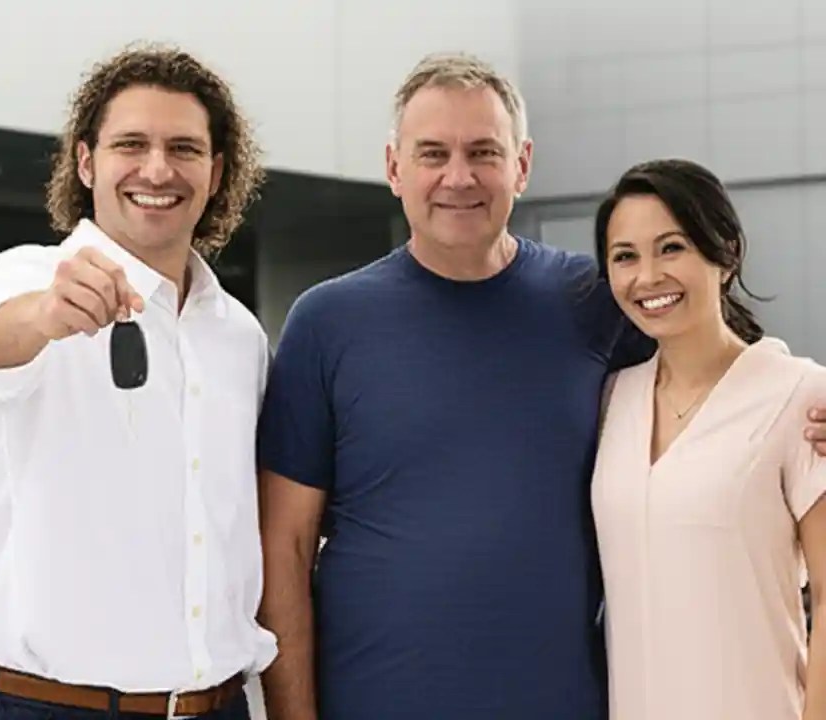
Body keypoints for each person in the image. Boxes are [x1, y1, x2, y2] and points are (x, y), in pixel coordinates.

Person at [254, 52, 826, 720]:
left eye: (484, 152)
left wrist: (806, 404)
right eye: (433, 152)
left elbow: (716, 377)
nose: (458, 177)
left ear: (522, 165)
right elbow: (284, 548)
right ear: (393, 167)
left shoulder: (592, 301)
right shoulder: (326, 323)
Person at [0, 44, 273, 720]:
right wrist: (46, 315)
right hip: (57, 708)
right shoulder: (28, 278)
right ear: (86, 162)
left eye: (184, 148)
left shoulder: (240, 336)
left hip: (220, 706)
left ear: (216, 170)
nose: (157, 169)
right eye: (131, 144)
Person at [590, 158, 826, 720]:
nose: (647, 277)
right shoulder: (610, 401)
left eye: (671, 247)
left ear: (725, 254)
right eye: (625, 256)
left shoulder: (799, 396)